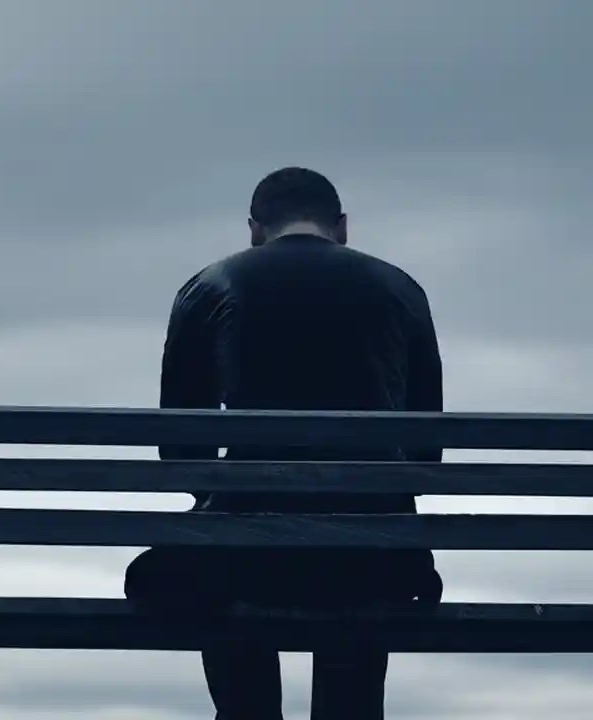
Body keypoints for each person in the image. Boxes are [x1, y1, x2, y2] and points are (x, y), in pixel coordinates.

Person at [124, 167, 444, 720]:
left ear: (254, 229)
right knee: (367, 569)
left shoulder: (208, 286)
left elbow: (180, 454)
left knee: (207, 558)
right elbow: (425, 453)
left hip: (243, 561)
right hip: (374, 561)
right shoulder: (401, 289)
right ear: (342, 227)